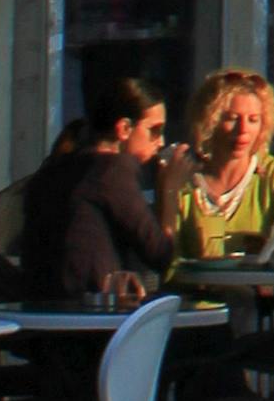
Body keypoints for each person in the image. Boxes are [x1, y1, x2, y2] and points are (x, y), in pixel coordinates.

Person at [18, 76, 178, 301]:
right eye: (154, 130)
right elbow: (161, 255)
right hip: (90, 314)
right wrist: (169, 190)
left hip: (42, 308)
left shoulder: (61, 166)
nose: (161, 142)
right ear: (124, 128)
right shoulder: (113, 169)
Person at [161, 69, 274, 264]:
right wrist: (168, 192)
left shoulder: (273, 174)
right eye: (232, 118)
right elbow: (166, 260)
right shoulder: (184, 176)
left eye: (253, 120)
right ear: (209, 121)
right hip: (194, 292)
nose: (243, 130)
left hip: (256, 291)